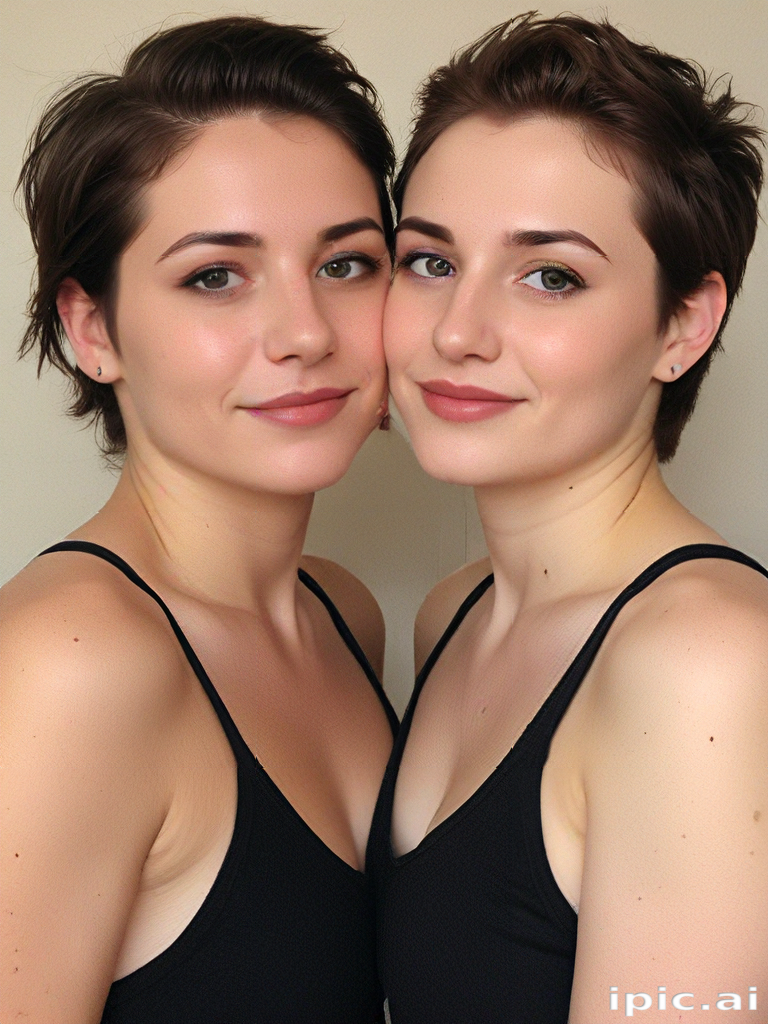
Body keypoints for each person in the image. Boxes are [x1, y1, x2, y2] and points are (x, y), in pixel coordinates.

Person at [368, 13, 767, 1023]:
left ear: (683, 323)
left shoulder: (707, 664)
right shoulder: (456, 613)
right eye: (428, 260)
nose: (459, 330)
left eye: (551, 275)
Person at [1, 16, 398, 1023]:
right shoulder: (70, 661)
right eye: (215, 275)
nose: (305, 331)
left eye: (347, 263)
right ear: (91, 329)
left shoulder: (343, 615)